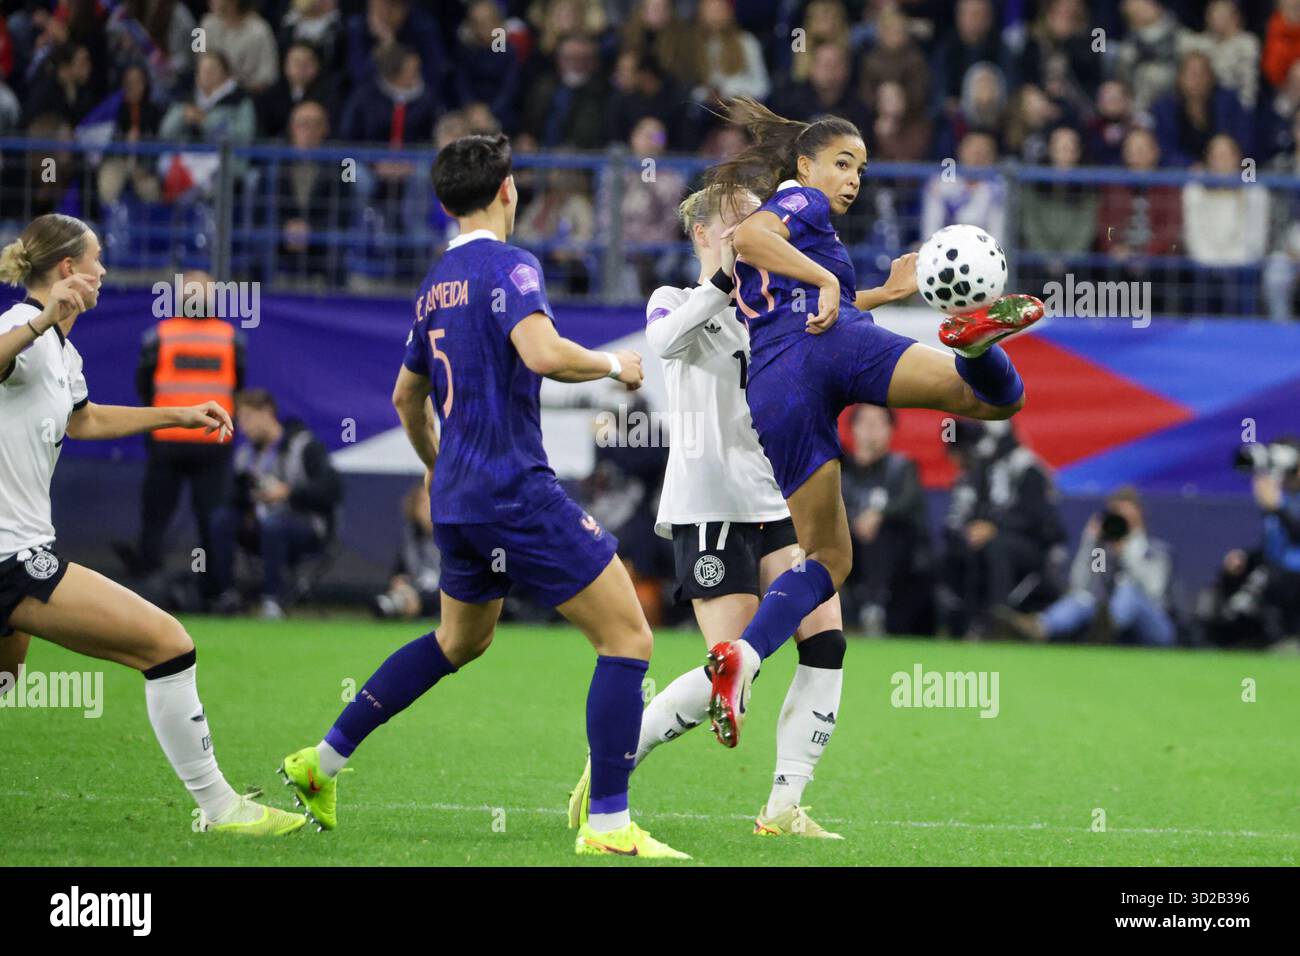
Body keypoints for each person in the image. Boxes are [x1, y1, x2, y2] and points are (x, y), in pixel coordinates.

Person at [278, 133, 690, 860]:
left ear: (442, 202)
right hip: (512, 489)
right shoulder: (511, 265)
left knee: (458, 640)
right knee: (627, 637)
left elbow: (406, 396)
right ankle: (609, 826)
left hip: (461, 497)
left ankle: (322, 762)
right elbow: (541, 354)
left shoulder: (434, 285)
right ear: (509, 191)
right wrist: (613, 364)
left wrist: (437, 466)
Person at [695, 96, 1041, 736]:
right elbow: (751, 237)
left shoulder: (805, 230)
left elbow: (803, 287)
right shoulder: (802, 201)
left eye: (861, 169)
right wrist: (832, 289)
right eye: (843, 163)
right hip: (830, 346)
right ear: (804, 164)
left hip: (776, 382)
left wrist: (880, 291)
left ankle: (741, 657)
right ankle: (974, 342)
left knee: (827, 556)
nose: (853, 178)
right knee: (995, 398)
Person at [0, 213, 303, 835]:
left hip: (17, 545)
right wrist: (37, 318)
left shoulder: (63, 349)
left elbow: (85, 422)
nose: (104, 271)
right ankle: (220, 808)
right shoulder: (18, 328)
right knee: (169, 645)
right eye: (95, 261)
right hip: (12, 554)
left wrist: (180, 414)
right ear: (66, 271)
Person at [576, 183, 847, 839]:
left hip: (774, 495)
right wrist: (724, 279)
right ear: (704, 233)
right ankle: (611, 762)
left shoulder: (772, 306)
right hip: (710, 505)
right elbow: (665, 343)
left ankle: (784, 805)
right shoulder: (674, 300)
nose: (758, 226)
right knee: (728, 667)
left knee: (826, 640)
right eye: (740, 218)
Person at [114, 270, 244, 587]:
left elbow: (143, 385)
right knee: (211, 519)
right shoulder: (231, 338)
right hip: (213, 439)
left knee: (156, 517)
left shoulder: (159, 335)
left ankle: (147, 585)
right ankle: (216, 590)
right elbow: (237, 385)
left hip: (167, 437)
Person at [208, 388, 343, 619]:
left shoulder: (305, 446)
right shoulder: (245, 455)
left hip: (307, 528)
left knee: (274, 526)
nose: (243, 427)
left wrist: (287, 492)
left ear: (267, 412)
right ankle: (227, 595)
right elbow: (232, 501)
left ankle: (272, 600)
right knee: (222, 520)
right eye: (240, 420)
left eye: (247, 418)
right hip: (262, 526)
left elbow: (333, 489)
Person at [993, 487, 1176, 646]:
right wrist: (1091, 542)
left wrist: (1126, 550)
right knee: (1085, 599)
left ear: (1139, 517)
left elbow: (1154, 590)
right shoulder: (1104, 551)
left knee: (1128, 589)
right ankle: (1038, 627)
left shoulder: (1154, 549)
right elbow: (1083, 584)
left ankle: (1109, 623)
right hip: (1109, 623)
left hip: (1153, 626)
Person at [940, 419, 1066, 638]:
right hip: (985, 542)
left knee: (997, 546)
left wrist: (995, 528)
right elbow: (958, 517)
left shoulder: (1027, 467)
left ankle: (997, 621)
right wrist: (967, 531)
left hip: (1028, 547)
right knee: (960, 549)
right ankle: (964, 624)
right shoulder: (976, 471)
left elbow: (1041, 521)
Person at [840, 404, 932, 636]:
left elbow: (910, 503)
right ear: (852, 429)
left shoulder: (903, 467)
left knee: (881, 533)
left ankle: (874, 608)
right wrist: (854, 521)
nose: (871, 428)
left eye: (879, 422)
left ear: (891, 430)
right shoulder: (840, 470)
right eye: (864, 422)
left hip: (898, 557)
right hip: (850, 548)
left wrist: (879, 515)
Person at [372, 483, 439, 620]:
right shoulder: (410, 538)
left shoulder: (458, 537)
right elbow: (399, 573)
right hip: (414, 592)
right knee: (386, 600)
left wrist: (421, 600)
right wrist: (400, 583)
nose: (428, 509)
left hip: (450, 598)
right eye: (423, 504)